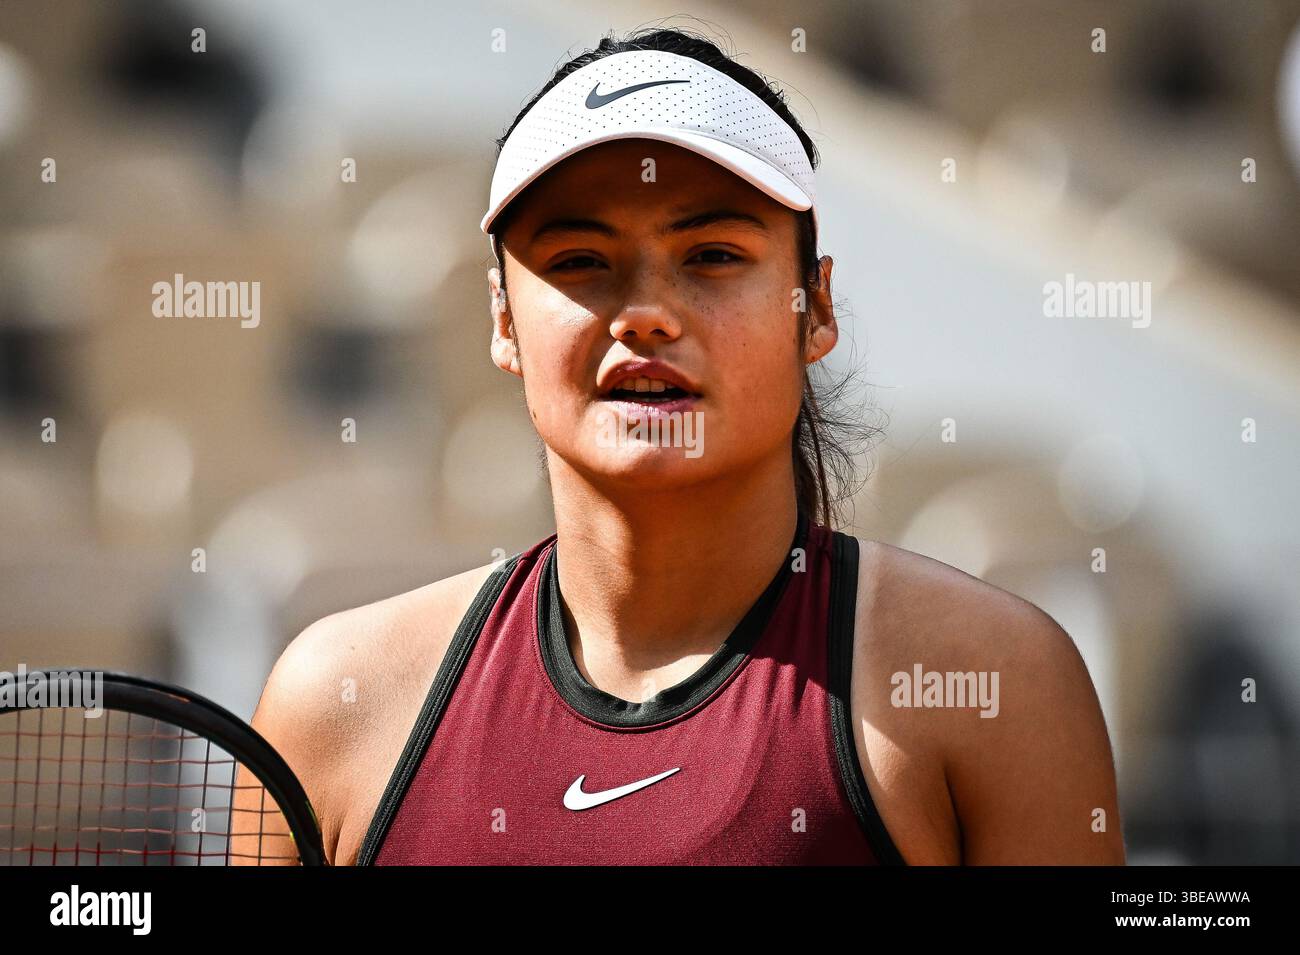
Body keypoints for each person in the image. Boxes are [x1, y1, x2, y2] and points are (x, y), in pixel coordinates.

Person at [247, 27, 1125, 865]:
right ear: (503, 320)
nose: (647, 314)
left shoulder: (993, 681)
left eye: (710, 254)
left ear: (814, 307)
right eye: (581, 260)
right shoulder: (336, 703)